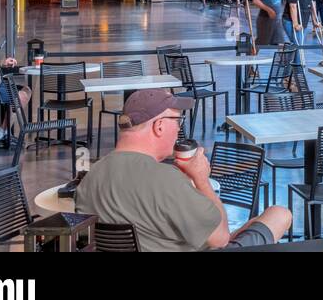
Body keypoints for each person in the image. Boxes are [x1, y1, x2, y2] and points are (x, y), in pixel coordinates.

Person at [76, 89, 291, 251]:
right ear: (158, 126)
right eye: (178, 121)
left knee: (252, 224)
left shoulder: (90, 177)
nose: (179, 128)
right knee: (279, 215)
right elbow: (220, 238)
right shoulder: (165, 179)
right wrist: (201, 179)